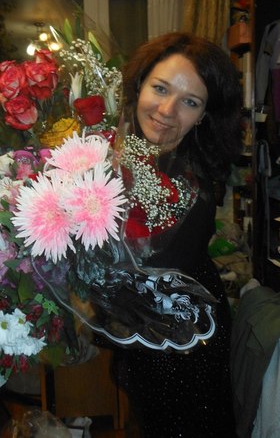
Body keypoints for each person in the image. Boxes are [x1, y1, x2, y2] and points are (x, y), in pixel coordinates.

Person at [112, 31, 242, 437]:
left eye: (190, 101)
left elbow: (142, 273)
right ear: (140, 85)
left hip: (183, 339)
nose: (167, 110)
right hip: (146, 331)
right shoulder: (122, 150)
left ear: (203, 115)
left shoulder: (192, 183)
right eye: (160, 88)